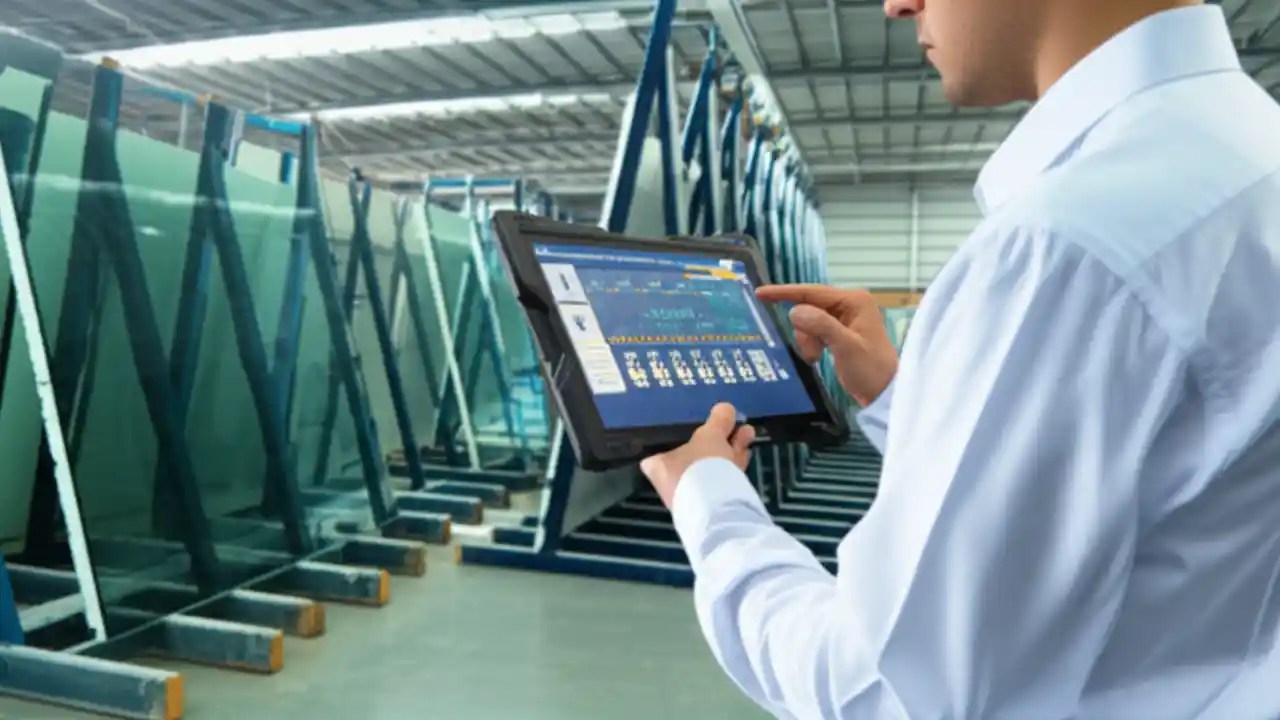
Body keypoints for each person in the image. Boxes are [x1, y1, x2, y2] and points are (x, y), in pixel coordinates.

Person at [639, 0, 1280, 716]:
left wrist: (708, 503)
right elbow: (1166, 485)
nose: (896, 4)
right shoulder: (1248, 148)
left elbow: (890, 693)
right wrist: (904, 398)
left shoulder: (1067, 244)